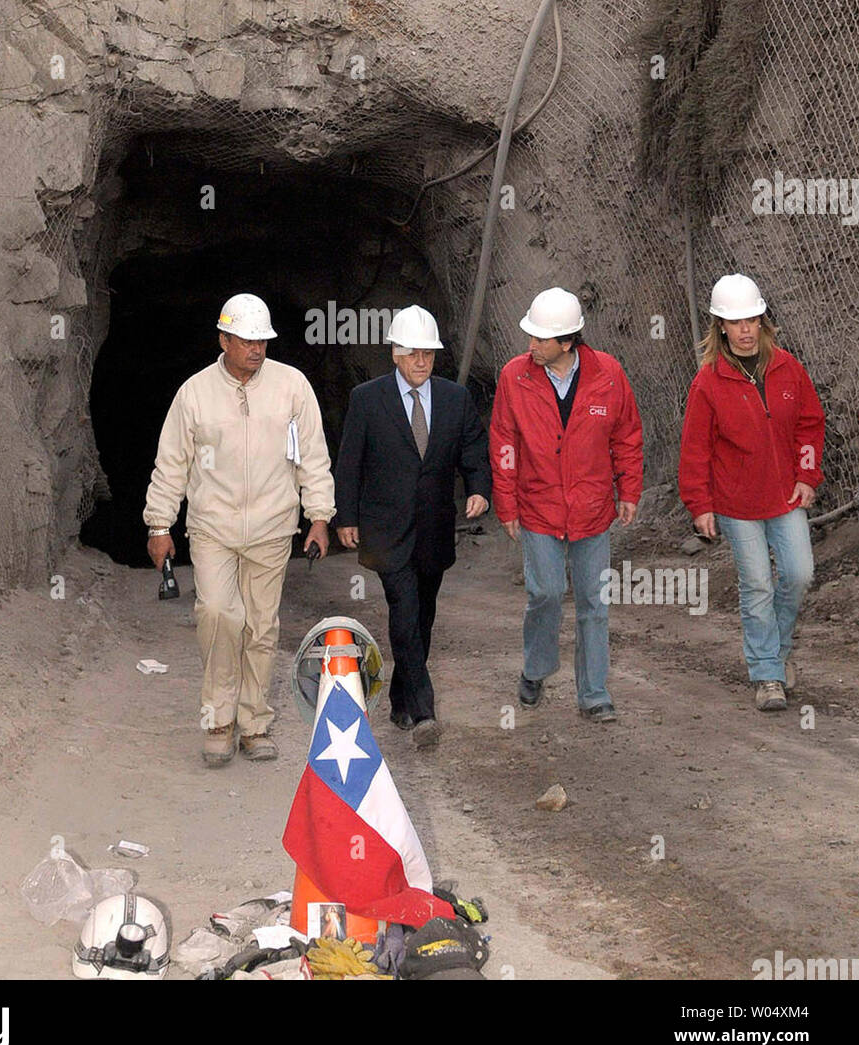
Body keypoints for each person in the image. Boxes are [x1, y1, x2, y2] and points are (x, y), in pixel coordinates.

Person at [143, 294, 335, 766]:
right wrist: (159, 524)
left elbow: (313, 456)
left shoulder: (292, 387)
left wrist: (319, 516)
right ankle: (218, 719)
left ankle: (253, 724)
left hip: (273, 527)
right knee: (217, 614)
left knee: (261, 626)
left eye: (262, 341)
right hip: (213, 526)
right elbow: (172, 463)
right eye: (246, 341)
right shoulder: (194, 394)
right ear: (223, 340)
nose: (256, 349)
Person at [334, 305, 491, 749]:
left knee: (423, 614)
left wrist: (479, 488)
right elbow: (350, 461)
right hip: (386, 529)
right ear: (395, 354)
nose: (422, 362)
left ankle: (401, 699)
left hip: (434, 527)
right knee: (403, 608)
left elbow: (473, 449)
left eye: (428, 354)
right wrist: (346, 516)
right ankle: (424, 712)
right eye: (413, 354)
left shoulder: (455, 399)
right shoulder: (368, 399)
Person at [490, 287, 643, 722]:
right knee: (546, 592)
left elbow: (627, 435)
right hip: (538, 506)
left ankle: (594, 693)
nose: (531, 345)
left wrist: (629, 490)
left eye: (541, 338)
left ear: (567, 341)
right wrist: (507, 504)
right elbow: (503, 442)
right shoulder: (514, 377)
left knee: (595, 601)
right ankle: (536, 668)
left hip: (592, 508)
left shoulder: (608, 374)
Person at [678, 274, 825, 712]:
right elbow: (695, 449)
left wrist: (807, 475)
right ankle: (767, 675)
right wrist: (700, 505)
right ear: (720, 326)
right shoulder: (708, 382)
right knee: (758, 583)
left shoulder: (787, 367)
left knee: (799, 574)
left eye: (751, 320)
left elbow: (810, 423)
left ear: (762, 320)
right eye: (735, 322)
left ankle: (777, 652)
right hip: (737, 503)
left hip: (785, 495)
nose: (744, 330)